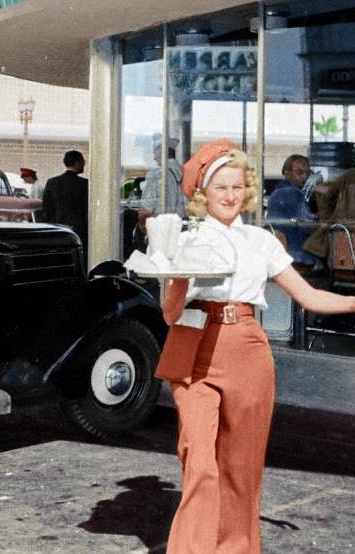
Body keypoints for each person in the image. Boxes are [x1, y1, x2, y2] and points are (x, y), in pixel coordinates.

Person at [158, 139, 355, 554]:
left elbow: (310, 298)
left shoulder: (261, 241)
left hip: (247, 348)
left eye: (236, 187)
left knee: (241, 467)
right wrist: (176, 278)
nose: (229, 196)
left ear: (246, 191)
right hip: (193, 346)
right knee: (199, 462)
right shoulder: (185, 242)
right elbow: (171, 315)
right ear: (203, 195)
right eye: (219, 188)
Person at [265, 154, 320, 267]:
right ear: (286, 173)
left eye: (307, 173)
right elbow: (308, 223)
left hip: (282, 246)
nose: (304, 177)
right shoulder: (292, 193)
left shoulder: (278, 192)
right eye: (299, 173)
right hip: (295, 250)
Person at [41, 150, 88, 251]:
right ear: (77, 163)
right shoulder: (84, 184)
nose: (84, 164)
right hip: (80, 231)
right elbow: (87, 210)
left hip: (58, 229)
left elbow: (46, 209)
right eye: (83, 161)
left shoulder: (52, 183)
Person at [141, 134, 185, 216]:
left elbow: (146, 209)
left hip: (159, 225)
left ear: (163, 151)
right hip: (178, 223)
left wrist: (142, 225)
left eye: (155, 153)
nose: (154, 158)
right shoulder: (182, 171)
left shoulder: (157, 174)